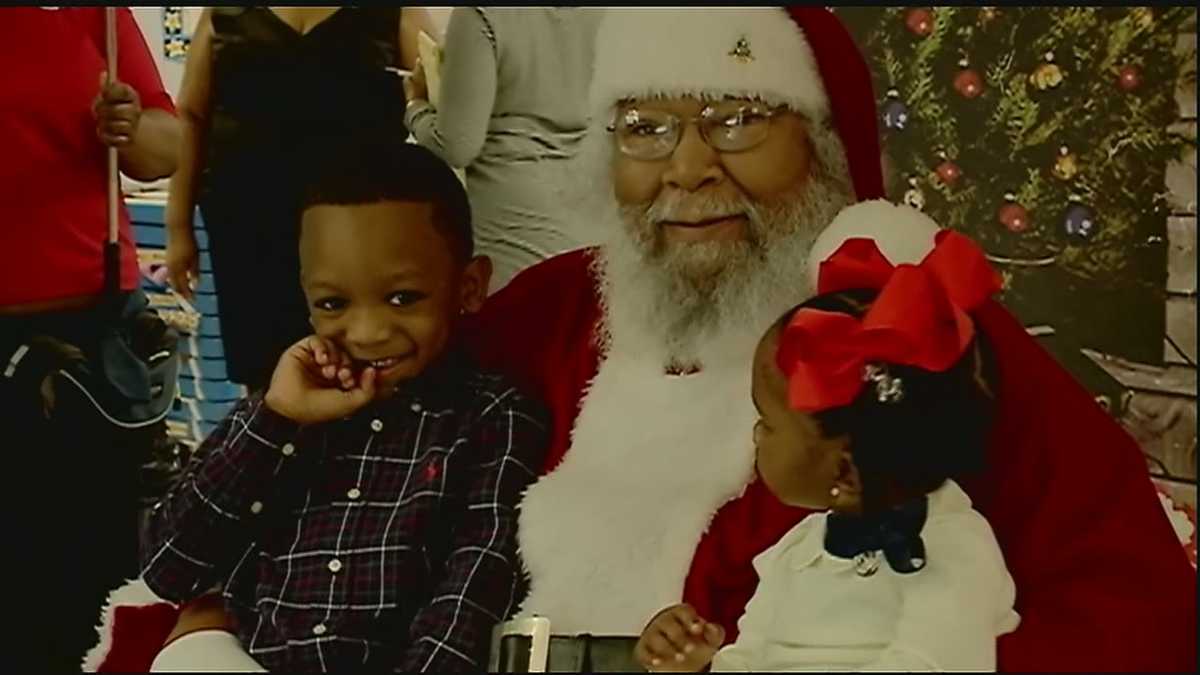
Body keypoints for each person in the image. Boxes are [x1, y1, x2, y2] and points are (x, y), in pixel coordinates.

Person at [89, 7, 1196, 672]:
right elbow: (311, 500)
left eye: (735, 118)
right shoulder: (548, 311)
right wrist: (196, 633)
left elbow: (1129, 608)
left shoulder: (924, 334)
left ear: (823, 141)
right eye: (645, 128)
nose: (686, 170)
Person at [137, 141, 548, 671]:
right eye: (334, 304)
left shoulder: (494, 417)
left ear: (468, 287)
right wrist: (276, 418)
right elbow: (169, 569)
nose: (369, 333)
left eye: (403, 298)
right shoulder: (285, 406)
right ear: (306, 300)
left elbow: (468, 600)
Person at [637, 226, 1022, 672]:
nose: (757, 437)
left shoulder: (952, 550)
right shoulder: (798, 551)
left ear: (845, 475)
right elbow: (752, 657)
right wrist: (702, 665)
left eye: (769, 424)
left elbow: (929, 664)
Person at [0, 7, 179, 672]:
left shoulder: (93, 15)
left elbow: (167, 144)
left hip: (84, 342)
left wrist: (130, 126)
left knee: (86, 579)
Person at [165, 6, 437, 391]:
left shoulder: (396, 11)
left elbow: (444, 105)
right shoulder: (225, 13)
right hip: (248, 227)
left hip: (359, 232)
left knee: (361, 368)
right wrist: (178, 226)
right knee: (266, 377)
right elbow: (192, 115)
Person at [404, 8, 602, 292]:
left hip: (511, 229)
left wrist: (415, 107)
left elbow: (456, 145)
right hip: (590, 221)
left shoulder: (479, 14)